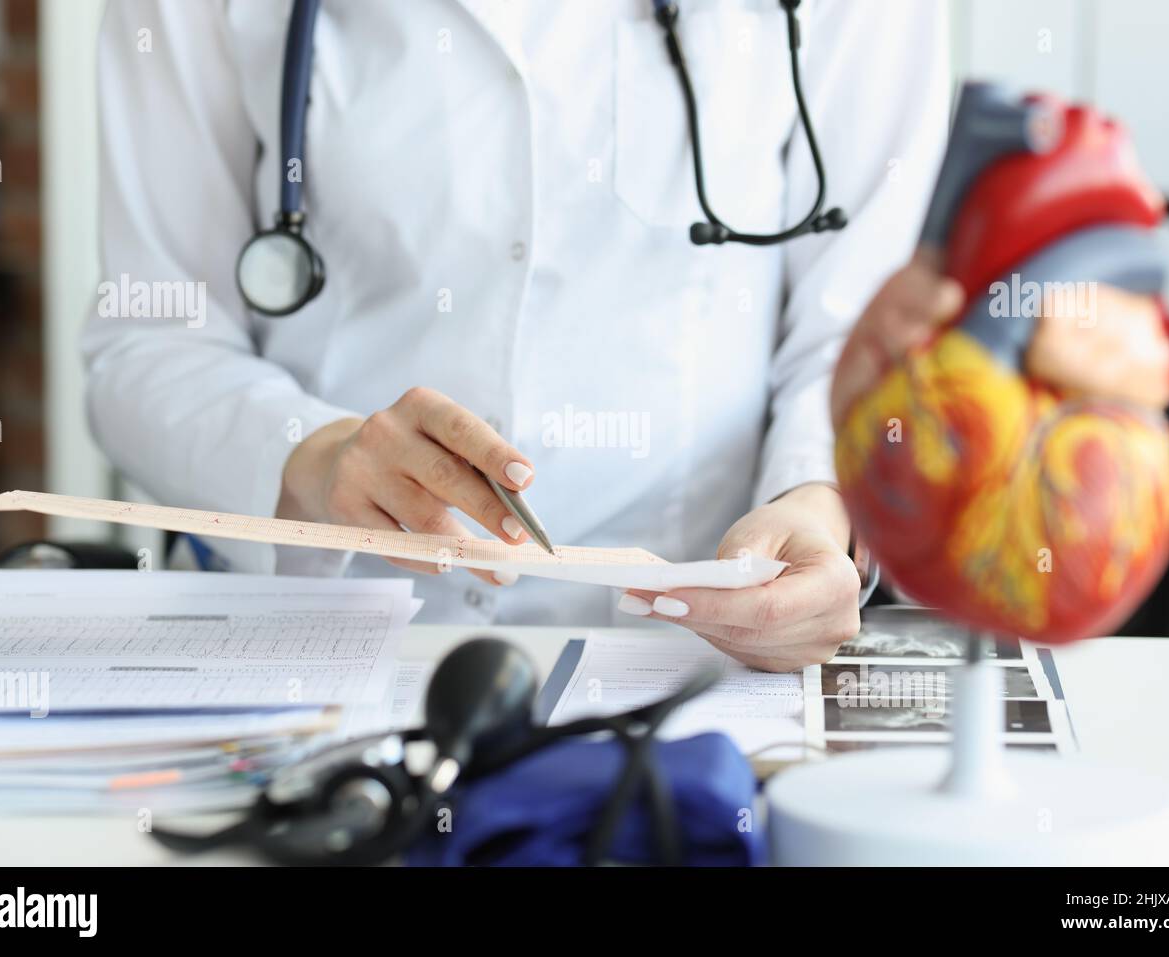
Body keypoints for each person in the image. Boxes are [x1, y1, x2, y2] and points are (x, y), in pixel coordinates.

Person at [84, 0, 955, 671]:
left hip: (693, 667)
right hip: (315, 653)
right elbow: (150, 340)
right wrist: (313, 459)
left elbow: (864, 344)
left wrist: (817, 499)